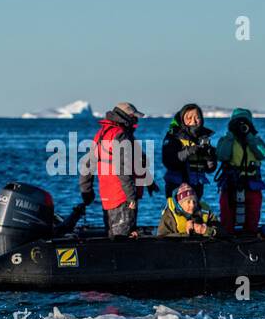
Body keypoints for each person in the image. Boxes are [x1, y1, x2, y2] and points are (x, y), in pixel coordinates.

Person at [85, 101, 151, 239]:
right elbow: (122, 168)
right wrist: (131, 195)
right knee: (124, 239)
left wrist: (86, 191)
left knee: (112, 236)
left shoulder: (101, 134)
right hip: (122, 197)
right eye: (134, 117)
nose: (136, 120)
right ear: (127, 117)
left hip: (107, 197)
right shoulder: (120, 135)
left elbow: (87, 166)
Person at [215, 108, 265, 234]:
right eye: (237, 123)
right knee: (227, 216)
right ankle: (227, 238)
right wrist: (230, 135)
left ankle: (250, 237)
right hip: (230, 184)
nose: (241, 126)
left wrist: (250, 136)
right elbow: (222, 156)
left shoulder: (255, 140)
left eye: (244, 123)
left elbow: (264, 153)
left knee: (253, 215)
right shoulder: (226, 140)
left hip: (252, 184)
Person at [161, 103, 217, 198]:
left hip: (197, 186)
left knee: (195, 211)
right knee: (177, 212)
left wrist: (210, 157)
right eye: (189, 118)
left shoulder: (203, 138)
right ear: (182, 119)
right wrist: (189, 151)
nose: (193, 121)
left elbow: (210, 169)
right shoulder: (173, 137)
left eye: (197, 117)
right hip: (177, 186)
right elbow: (169, 162)